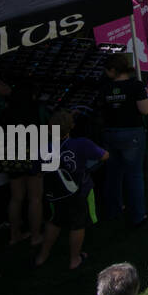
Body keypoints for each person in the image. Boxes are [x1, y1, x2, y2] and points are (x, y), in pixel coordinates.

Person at [34, 110, 107, 271]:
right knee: (78, 224)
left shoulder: (43, 149)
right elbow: (104, 156)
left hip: (55, 194)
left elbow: (38, 173)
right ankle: (75, 259)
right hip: (79, 191)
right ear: (72, 126)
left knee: (55, 222)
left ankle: (42, 256)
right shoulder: (81, 143)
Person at [0, 73, 47, 247]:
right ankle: (35, 236)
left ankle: (15, 235)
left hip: (12, 153)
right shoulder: (37, 108)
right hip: (32, 151)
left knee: (16, 197)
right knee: (35, 197)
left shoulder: (4, 110)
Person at [99, 55, 148, 228]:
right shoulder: (135, 85)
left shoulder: (104, 88)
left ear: (113, 70)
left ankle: (114, 210)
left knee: (113, 174)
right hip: (132, 134)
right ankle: (138, 216)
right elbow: (145, 110)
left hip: (110, 134)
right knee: (134, 175)